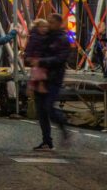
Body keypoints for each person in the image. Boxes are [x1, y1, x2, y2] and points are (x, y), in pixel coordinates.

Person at [33, 13, 70, 151]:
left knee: (49, 107)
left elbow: (60, 59)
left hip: (54, 78)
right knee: (41, 111)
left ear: (59, 24)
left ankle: (64, 126)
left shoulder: (62, 40)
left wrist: (41, 61)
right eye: (48, 22)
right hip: (41, 77)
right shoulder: (46, 37)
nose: (49, 25)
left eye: (52, 22)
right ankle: (47, 141)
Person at [25, 18, 50, 95]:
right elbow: (30, 47)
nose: (44, 29)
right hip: (36, 56)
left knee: (43, 71)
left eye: (45, 27)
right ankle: (32, 87)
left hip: (43, 57)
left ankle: (40, 85)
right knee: (37, 72)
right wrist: (28, 55)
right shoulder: (34, 36)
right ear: (38, 27)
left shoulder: (46, 36)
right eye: (42, 27)